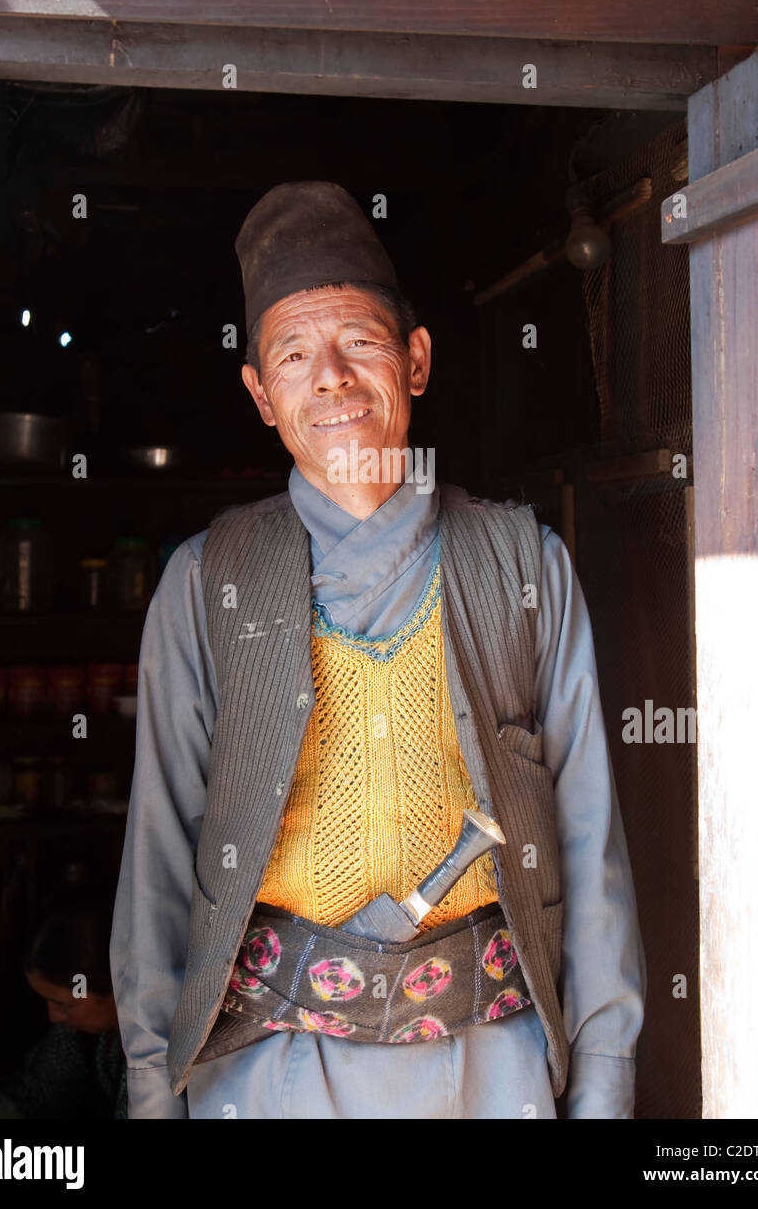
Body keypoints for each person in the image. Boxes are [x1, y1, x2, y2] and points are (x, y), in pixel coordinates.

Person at [110, 181, 646, 1120]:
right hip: (270, 1071)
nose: (330, 376)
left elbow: (588, 841)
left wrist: (600, 1088)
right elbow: (159, 864)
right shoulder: (205, 584)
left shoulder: (523, 566)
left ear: (416, 360)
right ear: (260, 396)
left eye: (359, 341)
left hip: (495, 1068)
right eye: (293, 354)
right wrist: (155, 1097)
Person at [0, 896, 128, 1120]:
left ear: (114, 989)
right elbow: (32, 1096)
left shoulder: (159, 1045)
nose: (53, 1016)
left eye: (64, 1004)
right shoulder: (77, 1034)